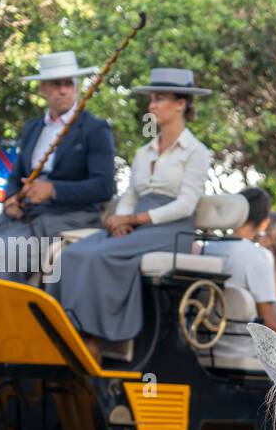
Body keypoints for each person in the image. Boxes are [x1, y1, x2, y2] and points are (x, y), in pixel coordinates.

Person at [48, 68, 210, 359]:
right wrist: (120, 222)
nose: (152, 106)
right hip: (139, 225)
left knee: (97, 256)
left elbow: (185, 205)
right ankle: (64, 330)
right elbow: (131, 196)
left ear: (180, 104)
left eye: (159, 99)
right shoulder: (144, 151)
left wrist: (132, 219)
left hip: (172, 230)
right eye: (151, 99)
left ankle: (93, 337)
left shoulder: (196, 151)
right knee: (70, 254)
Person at [0, 51, 116, 278]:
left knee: (2, 252)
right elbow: (16, 176)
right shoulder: (33, 129)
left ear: (76, 86)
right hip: (25, 217)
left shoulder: (94, 129)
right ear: (43, 89)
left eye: (69, 84)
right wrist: (10, 199)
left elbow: (104, 187)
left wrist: (54, 190)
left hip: (69, 219)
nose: (64, 90)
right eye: (56, 84)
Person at [204, 187, 276, 353]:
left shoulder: (209, 247)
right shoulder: (258, 255)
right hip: (243, 346)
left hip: (206, 342)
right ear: (264, 222)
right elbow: (270, 323)